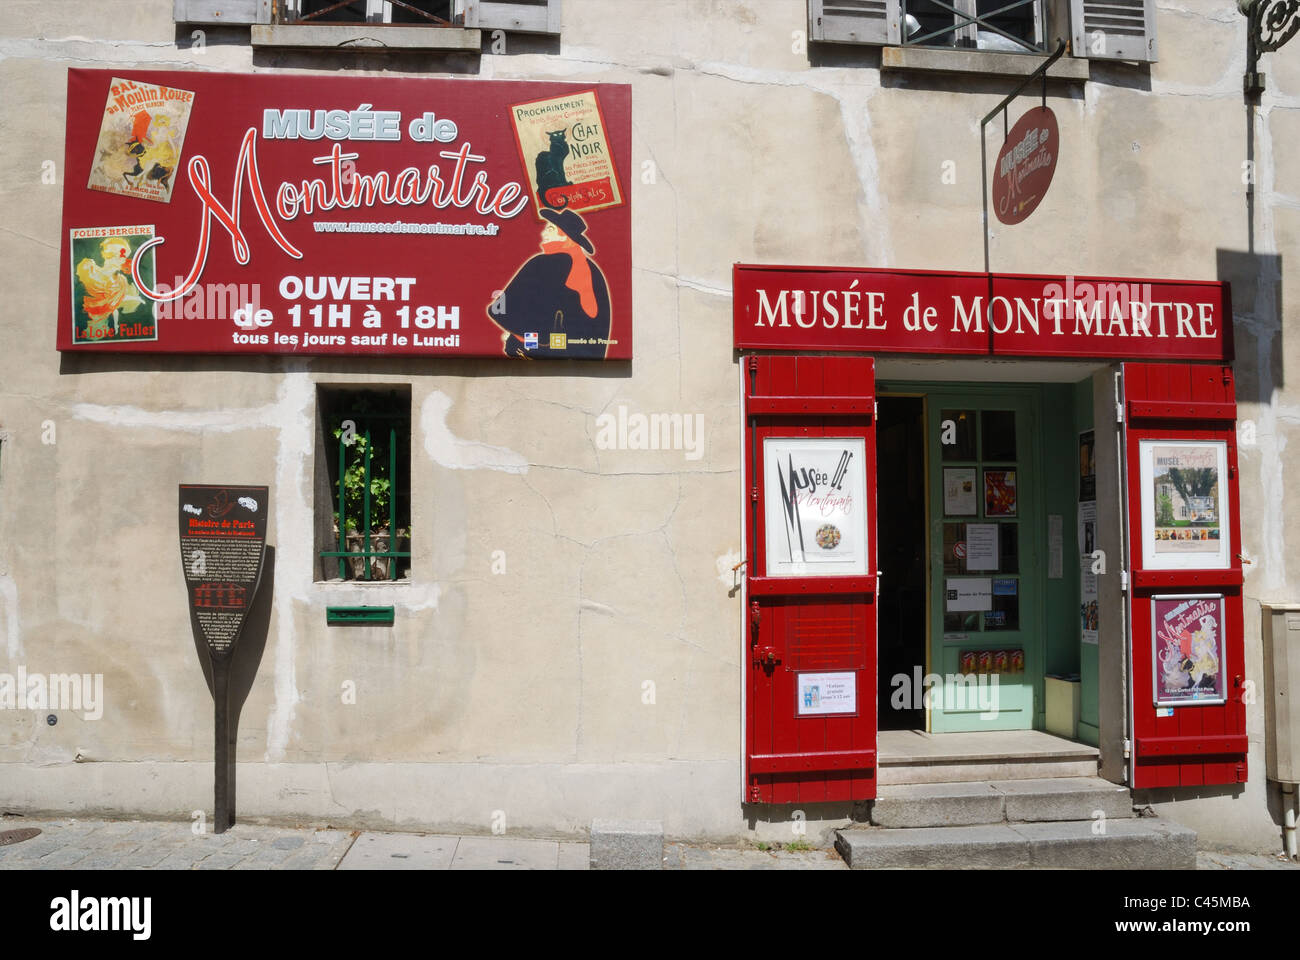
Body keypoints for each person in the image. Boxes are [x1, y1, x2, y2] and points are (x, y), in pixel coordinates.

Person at [487, 207, 611, 359]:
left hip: (549, 353)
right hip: (585, 355)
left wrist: (516, 338)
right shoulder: (593, 270)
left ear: (564, 237)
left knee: (516, 341)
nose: (543, 233)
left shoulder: (543, 263)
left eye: (550, 228)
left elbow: (501, 311)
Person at [75, 236, 143, 339]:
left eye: (125, 256)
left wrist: (135, 299)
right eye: (121, 256)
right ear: (109, 256)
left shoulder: (121, 282)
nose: (125, 260)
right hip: (86, 325)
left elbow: (113, 306)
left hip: (103, 328)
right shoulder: (89, 271)